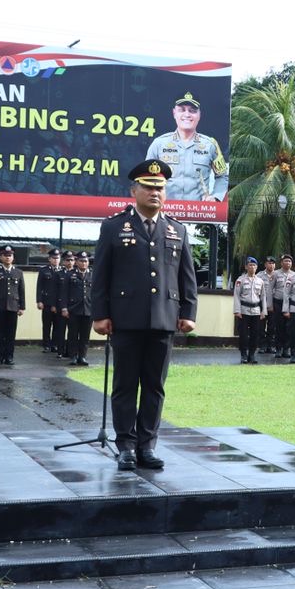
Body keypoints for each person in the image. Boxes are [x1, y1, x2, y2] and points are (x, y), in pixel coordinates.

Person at [91, 158, 198, 471]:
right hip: (125, 318)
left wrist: (188, 311)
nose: (156, 192)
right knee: (125, 385)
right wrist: (100, 314)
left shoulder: (177, 229)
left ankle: (146, 446)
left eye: (161, 188)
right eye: (149, 187)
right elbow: (101, 275)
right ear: (133, 190)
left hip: (164, 319)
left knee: (155, 386)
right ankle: (125, 444)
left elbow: (186, 276)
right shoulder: (113, 227)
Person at [145, 91, 228, 202]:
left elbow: (222, 176)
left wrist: (216, 197)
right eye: (182, 110)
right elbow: (147, 176)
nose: (187, 114)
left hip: (199, 213)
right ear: (174, 113)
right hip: (164, 212)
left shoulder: (210, 145)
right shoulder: (159, 144)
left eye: (192, 111)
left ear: (199, 115)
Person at [0, 246, 27, 366]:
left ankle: (9, 356)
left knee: (10, 334)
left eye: (10, 255)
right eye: (5, 255)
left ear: (13, 257)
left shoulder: (18, 272)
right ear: (1, 257)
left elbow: (21, 290)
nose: (8, 258)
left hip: (13, 307)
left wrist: (22, 307)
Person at [61, 251, 94, 365]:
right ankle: (73, 356)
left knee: (85, 335)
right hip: (74, 309)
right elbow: (64, 293)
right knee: (73, 334)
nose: (84, 263)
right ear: (77, 262)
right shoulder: (70, 275)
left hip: (88, 309)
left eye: (85, 261)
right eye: (81, 261)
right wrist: (64, 308)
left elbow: (96, 294)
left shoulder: (93, 275)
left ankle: (82, 356)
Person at [233, 256, 266, 363]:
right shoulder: (240, 280)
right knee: (243, 334)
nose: (252, 267)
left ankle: (252, 355)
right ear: (246, 267)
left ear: (257, 267)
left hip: (256, 311)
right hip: (244, 310)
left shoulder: (260, 281)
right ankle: (243, 355)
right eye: (250, 265)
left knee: (255, 334)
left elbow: (263, 297)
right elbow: (237, 296)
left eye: (254, 265)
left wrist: (263, 311)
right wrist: (237, 311)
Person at [37, 248, 63, 354]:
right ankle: (46, 345)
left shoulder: (62, 271)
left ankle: (55, 345)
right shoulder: (44, 270)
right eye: (53, 258)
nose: (56, 260)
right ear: (49, 259)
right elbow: (39, 287)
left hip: (58, 303)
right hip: (47, 302)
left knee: (57, 325)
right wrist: (39, 301)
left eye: (57, 258)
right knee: (47, 325)